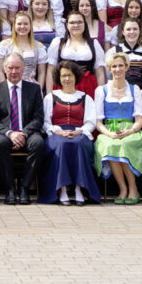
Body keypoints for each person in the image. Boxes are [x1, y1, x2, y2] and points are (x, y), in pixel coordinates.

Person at [0, 52, 45, 205]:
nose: (14, 72)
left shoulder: (34, 89)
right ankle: (10, 189)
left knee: (38, 143)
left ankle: (24, 187)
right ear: (5, 69)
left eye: (17, 68)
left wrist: (23, 133)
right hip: (4, 133)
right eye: (10, 68)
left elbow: (38, 118)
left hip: (27, 132)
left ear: (24, 69)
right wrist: (10, 133)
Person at [38, 61, 99, 206]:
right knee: (62, 144)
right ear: (59, 78)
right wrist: (57, 131)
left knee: (78, 144)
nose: (67, 79)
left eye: (70, 75)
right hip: (56, 133)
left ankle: (79, 188)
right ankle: (63, 189)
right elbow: (45, 122)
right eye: (63, 76)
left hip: (79, 133)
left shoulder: (85, 98)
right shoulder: (50, 97)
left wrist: (79, 131)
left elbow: (91, 122)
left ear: (75, 77)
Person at [93, 52, 142, 203]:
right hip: (109, 129)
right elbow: (98, 122)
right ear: (109, 69)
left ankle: (133, 188)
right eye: (114, 66)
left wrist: (130, 131)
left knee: (125, 143)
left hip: (131, 128)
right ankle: (123, 188)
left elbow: (139, 119)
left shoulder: (134, 89)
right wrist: (109, 133)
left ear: (127, 67)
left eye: (120, 66)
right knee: (111, 144)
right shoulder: (101, 90)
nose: (117, 69)